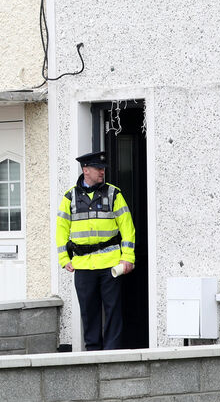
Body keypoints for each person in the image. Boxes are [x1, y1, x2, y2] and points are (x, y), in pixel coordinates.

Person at [55, 150, 135, 351]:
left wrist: (127, 258)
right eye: (98, 169)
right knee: (89, 313)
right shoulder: (70, 197)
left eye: (103, 169)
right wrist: (64, 258)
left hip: (110, 264)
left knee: (113, 311)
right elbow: (61, 229)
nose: (102, 172)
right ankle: (93, 353)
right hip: (82, 265)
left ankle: (112, 352)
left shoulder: (114, 194)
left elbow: (128, 228)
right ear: (85, 170)